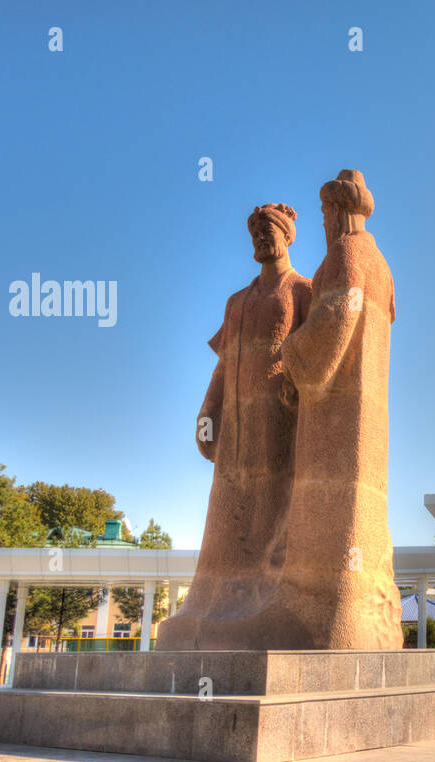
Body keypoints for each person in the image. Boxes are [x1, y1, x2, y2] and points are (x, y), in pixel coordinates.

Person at [156, 204, 312, 650]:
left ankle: (265, 598)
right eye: (256, 233)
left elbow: (316, 357)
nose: (263, 239)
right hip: (236, 430)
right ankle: (212, 602)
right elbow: (223, 365)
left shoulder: (303, 291)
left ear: (287, 236)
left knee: (273, 513)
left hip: (279, 423)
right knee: (226, 516)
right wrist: (208, 411)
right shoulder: (237, 302)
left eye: (270, 231)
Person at [275, 170, 403, 649]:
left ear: (339, 212)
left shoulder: (346, 254)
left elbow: (333, 323)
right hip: (364, 421)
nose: (325, 222)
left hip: (334, 413)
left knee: (328, 513)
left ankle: (322, 612)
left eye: (326, 213)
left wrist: (290, 358)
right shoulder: (381, 262)